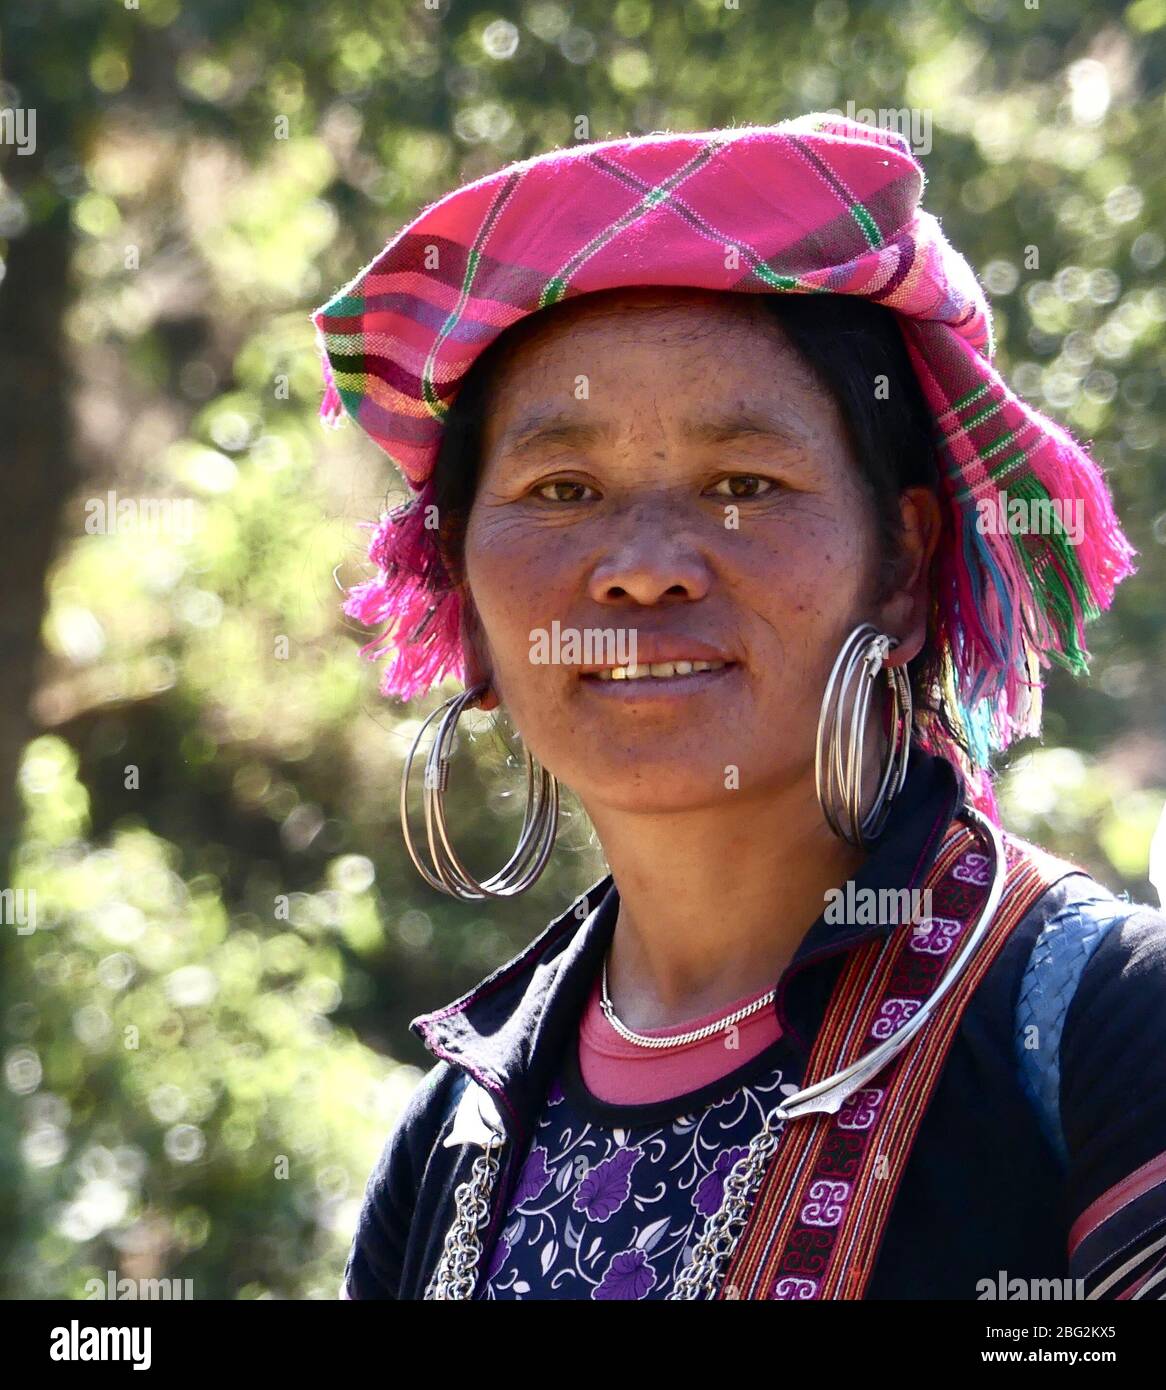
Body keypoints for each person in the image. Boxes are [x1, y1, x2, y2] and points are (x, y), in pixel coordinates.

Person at [311, 114, 1166, 1300]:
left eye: (742, 484)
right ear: (461, 586)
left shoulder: (1102, 1032)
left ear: (902, 565)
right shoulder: (453, 1137)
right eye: (561, 487)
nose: (643, 566)